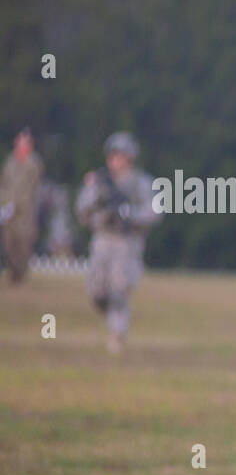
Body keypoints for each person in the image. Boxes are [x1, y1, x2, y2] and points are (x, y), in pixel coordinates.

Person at [75, 132, 162, 353]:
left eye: (121, 156)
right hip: (103, 239)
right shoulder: (99, 181)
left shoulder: (141, 182)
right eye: (113, 155)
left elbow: (153, 211)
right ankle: (114, 319)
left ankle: (116, 334)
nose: (116, 160)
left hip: (127, 241)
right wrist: (98, 204)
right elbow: (82, 210)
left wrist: (129, 215)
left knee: (119, 290)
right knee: (96, 290)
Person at [0, 128, 45, 284]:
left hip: (25, 211)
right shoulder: (10, 162)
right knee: (8, 242)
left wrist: (17, 204)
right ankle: (12, 273)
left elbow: (32, 188)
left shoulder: (34, 164)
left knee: (23, 242)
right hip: (8, 210)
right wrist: (4, 203)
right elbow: (4, 184)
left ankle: (20, 274)